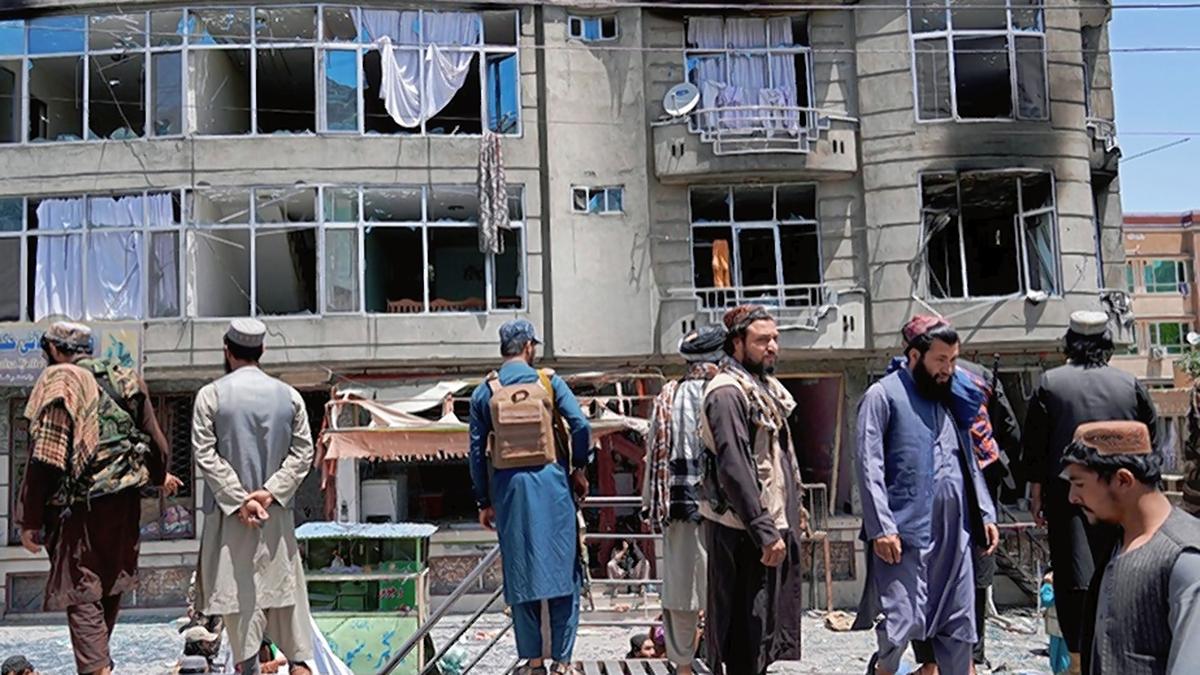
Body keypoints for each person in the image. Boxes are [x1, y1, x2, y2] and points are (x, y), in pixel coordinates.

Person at [14, 321, 180, 675]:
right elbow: (157, 443)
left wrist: (28, 521)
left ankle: (97, 670)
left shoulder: (61, 382)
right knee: (109, 584)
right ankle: (100, 664)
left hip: (78, 509)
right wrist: (156, 477)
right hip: (124, 505)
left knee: (81, 589)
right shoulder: (126, 378)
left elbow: (44, 459)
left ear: (55, 351)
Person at [853, 315, 999, 675]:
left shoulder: (950, 397)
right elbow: (867, 465)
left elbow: (966, 459)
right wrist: (881, 527)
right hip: (905, 533)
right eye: (940, 360)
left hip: (955, 532)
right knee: (899, 620)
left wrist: (985, 511)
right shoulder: (882, 395)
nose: (948, 369)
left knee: (960, 620)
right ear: (915, 357)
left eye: (952, 360)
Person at [1021, 310, 1159, 673]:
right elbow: (1151, 443)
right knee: (1123, 572)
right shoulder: (1129, 385)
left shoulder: (1050, 383)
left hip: (1070, 500)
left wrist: (1036, 495)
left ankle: (1080, 661)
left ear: (1070, 342)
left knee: (1073, 577)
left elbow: (1034, 449)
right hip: (1124, 501)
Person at [468, 319, 592, 675]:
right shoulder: (549, 382)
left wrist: (483, 501)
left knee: (521, 575)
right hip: (553, 486)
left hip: (509, 492)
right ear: (528, 348)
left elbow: (476, 452)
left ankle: (534, 661)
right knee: (563, 574)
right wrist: (579, 467)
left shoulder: (485, 391)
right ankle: (563, 662)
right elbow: (581, 426)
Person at [192, 319, 316, 675]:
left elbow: (205, 453)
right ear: (262, 351)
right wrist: (272, 493)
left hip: (232, 526)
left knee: (244, 645)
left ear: (227, 351)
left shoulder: (210, 396)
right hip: (276, 524)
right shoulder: (289, 396)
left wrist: (240, 499)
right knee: (294, 643)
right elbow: (302, 454)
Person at [699, 305, 806, 675]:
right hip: (742, 530)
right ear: (737, 343)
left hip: (764, 525)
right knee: (745, 634)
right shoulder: (727, 392)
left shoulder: (762, 387)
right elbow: (734, 466)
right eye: (762, 340)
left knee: (762, 631)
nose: (772, 346)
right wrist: (764, 530)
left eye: (775, 338)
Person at [1060, 421, 1200, 674]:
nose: (1072, 497)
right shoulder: (1118, 544)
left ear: (1123, 480)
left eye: (1079, 484)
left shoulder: (1186, 558)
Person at [913, 356, 1021, 671]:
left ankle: (930, 661)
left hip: (934, 497)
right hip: (978, 498)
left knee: (928, 581)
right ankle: (970, 658)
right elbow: (1010, 434)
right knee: (973, 580)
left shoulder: (912, 379)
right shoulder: (981, 376)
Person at [641, 325, 725, 675]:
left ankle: (684, 667)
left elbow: (651, 457)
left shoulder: (667, 396)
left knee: (679, 593)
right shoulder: (725, 393)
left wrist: (650, 503)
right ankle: (721, 661)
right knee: (722, 592)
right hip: (724, 509)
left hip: (676, 506)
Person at [1039, 571, 1071, 674]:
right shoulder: (1051, 576)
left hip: (1065, 627)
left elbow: (1047, 599)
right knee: (1057, 661)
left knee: (1063, 662)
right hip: (1056, 627)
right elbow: (1046, 600)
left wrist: (1049, 585)